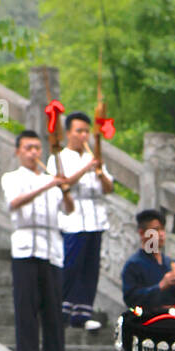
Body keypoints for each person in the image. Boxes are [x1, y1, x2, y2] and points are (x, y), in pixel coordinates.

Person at [1, 130, 73, 351]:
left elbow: (69, 209)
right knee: (27, 308)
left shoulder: (51, 181)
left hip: (52, 248)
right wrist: (49, 184)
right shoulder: (12, 178)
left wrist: (64, 189)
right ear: (18, 151)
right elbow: (15, 203)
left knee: (53, 309)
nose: (33, 153)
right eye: (28, 148)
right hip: (24, 248)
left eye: (36, 148)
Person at [48, 111, 114, 331]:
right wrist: (86, 169)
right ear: (68, 133)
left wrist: (99, 172)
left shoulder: (94, 157)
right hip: (72, 219)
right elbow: (62, 183)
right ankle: (60, 309)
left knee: (90, 267)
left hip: (96, 220)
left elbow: (109, 189)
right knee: (71, 265)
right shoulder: (59, 157)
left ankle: (83, 313)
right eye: (79, 131)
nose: (84, 135)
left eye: (87, 131)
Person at [121, 209, 175, 310]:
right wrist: (160, 286)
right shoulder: (133, 265)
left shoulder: (170, 263)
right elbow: (130, 299)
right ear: (142, 233)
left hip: (171, 317)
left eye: (163, 230)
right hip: (146, 320)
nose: (161, 234)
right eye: (156, 230)